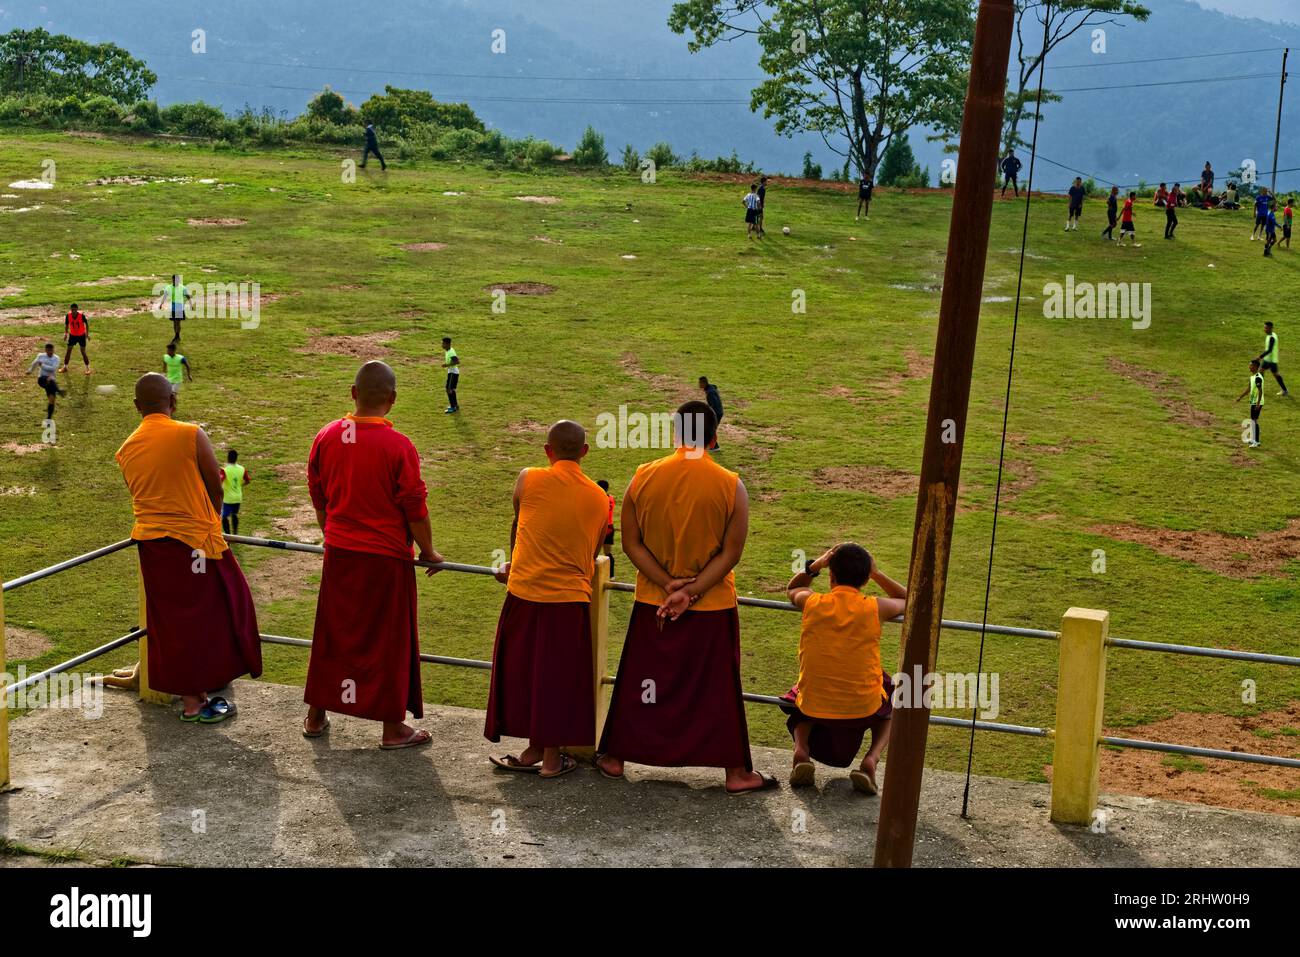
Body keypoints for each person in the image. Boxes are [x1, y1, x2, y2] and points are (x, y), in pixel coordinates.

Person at [595, 401, 776, 795]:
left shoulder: (643, 477)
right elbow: (732, 553)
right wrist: (692, 591)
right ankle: (735, 773)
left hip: (653, 602)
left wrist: (667, 586)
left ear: (675, 433)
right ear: (713, 436)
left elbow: (632, 544)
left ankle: (613, 758)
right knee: (718, 689)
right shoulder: (730, 484)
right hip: (711, 605)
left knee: (640, 682)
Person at [303, 361, 443, 748]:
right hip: (384, 559)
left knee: (333, 636)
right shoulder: (398, 445)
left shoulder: (327, 436)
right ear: (392, 400)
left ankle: (316, 715)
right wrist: (429, 551)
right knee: (388, 642)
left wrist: (333, 534)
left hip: (340, 553)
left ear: (353, 393)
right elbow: (414, 507)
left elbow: (319, 496)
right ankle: (392, 728)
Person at [115, 373, 262, 722]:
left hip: (152, 545)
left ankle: (193, 701)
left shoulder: (126, 449)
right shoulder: (189, 434)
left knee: (172, 624)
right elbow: (216, 487)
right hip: (196, 543)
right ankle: (206, 694)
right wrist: (208, 523)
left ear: (137, 406)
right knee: (223, 610)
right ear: (173, 401)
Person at [485, 420, 610, 778]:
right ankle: (541, 752)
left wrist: (515, 562)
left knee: (525, 672)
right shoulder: (599, 498)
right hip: (569, 600)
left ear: (547, 451)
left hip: (524, 592)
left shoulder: (528, 478)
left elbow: (519, 521)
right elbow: (593, 551)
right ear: (584, 452)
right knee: (555, 678)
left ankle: (548, 758)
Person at [779, 543, 908, 795]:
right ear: (865, 578)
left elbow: (793, 587)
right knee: (895, 698)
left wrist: (817, 563)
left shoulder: (813, 602)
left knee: (801, 693)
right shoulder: (875, 606)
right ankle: (871, 759)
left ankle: (801, 750)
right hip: (863, 708)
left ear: (831, 575)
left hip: (814, 704)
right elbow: (907, 598)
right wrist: (878, 573)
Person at [27, 343, 65, 422]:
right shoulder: (41, 356)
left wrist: (42, 365)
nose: (50, 352)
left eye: (51, 350)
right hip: (42, 379)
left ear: (53, 350)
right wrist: (30, 371)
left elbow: (53, 369)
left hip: (51, 383)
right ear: (46, 350)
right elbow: (35, 363)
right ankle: (59, 391)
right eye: (48, 350)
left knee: (52, 400)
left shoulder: (56, 358)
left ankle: (49, 418)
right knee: (48, 379)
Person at [220, 449, 250, 535]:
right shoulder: (242, 469)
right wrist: (240, 486)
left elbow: (219, 481)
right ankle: (235, 534)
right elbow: (247, 480)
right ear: (236, 458)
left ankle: (228, 535)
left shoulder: (225, 470)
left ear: (228, 458)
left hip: (227, 498)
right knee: (234, 514)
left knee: (224, 517)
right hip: (238, 497)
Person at [1237, 358, 1265, 448]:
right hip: (1253, 401)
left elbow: (1260, 391)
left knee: (1254, 421)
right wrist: (1240, 397)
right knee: (1253, 420)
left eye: (1251, 365)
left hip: (1257, 402)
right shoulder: (1252, 377)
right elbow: (1249, 389)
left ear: (1256, 367)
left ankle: (1256, 441)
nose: (1249, 367)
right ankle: (1253, 439)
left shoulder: (1257, 378)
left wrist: (1257, 404)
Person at [158, 274, 191, 344]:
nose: (175, 281)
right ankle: (176, 335)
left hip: (180, 307)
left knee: (177, 322)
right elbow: (165, 296)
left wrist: (191, 304)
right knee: (174, 323)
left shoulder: (182, 287)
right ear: (172, 280)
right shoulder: (168, 287)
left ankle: (177, 336)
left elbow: (188, 296)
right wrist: (161, 304)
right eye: (174, 280)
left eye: (177, 280)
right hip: (173, 307)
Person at [1258, 321, 1288, 396]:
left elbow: (1269, 350)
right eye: (1264, 327)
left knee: (1262, 372)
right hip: (1270, 359)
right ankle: (1284, 390)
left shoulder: (1272, 337)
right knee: (1274, 374)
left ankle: (1259, 389)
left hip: (1270, 360)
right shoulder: (1272, 334)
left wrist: (1260, 357)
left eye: (1266, 328)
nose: (1264, 329)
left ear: (1270, 328)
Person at [61, 303, 91, 374]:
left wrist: (87, 334)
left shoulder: (81, 316)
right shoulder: (68, 316)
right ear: (70, 310)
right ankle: (65, 367)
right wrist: (66, 334)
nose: (73, 311)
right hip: (73, 336)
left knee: (83, 352)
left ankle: (88, 368)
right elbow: (66, 325)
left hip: (81, 336)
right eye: (72, 310)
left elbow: (86, 324)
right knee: (68, 351)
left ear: (77, 309)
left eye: (74, 309)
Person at [596, 478, 616, 578]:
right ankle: (611, 575)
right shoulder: (611, 498)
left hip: (600, 528)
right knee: (608, 553)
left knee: (593, 552)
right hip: (610, 528)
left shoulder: (598, 499)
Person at [699, 375, 724, 452]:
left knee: (710, 429)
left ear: (704, 383)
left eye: (700, 383)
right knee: (710, 429)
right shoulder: (711, 388)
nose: (699, 385)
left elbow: (714, 404)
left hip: (716, 413)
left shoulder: (710, 392)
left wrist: (709, 412)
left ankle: (715, 447)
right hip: (718, 412)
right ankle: (711, 445)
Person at [441, 336, 459, 413]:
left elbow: (457, 361)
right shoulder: (448, 350)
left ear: (447, 344)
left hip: (453, 372)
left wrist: (447, 365)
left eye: (443, 343)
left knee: (449, 389)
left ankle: (453, 407)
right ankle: (455, 405)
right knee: (451, 389)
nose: (442, 345)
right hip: (452, 372)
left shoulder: (451, 352)